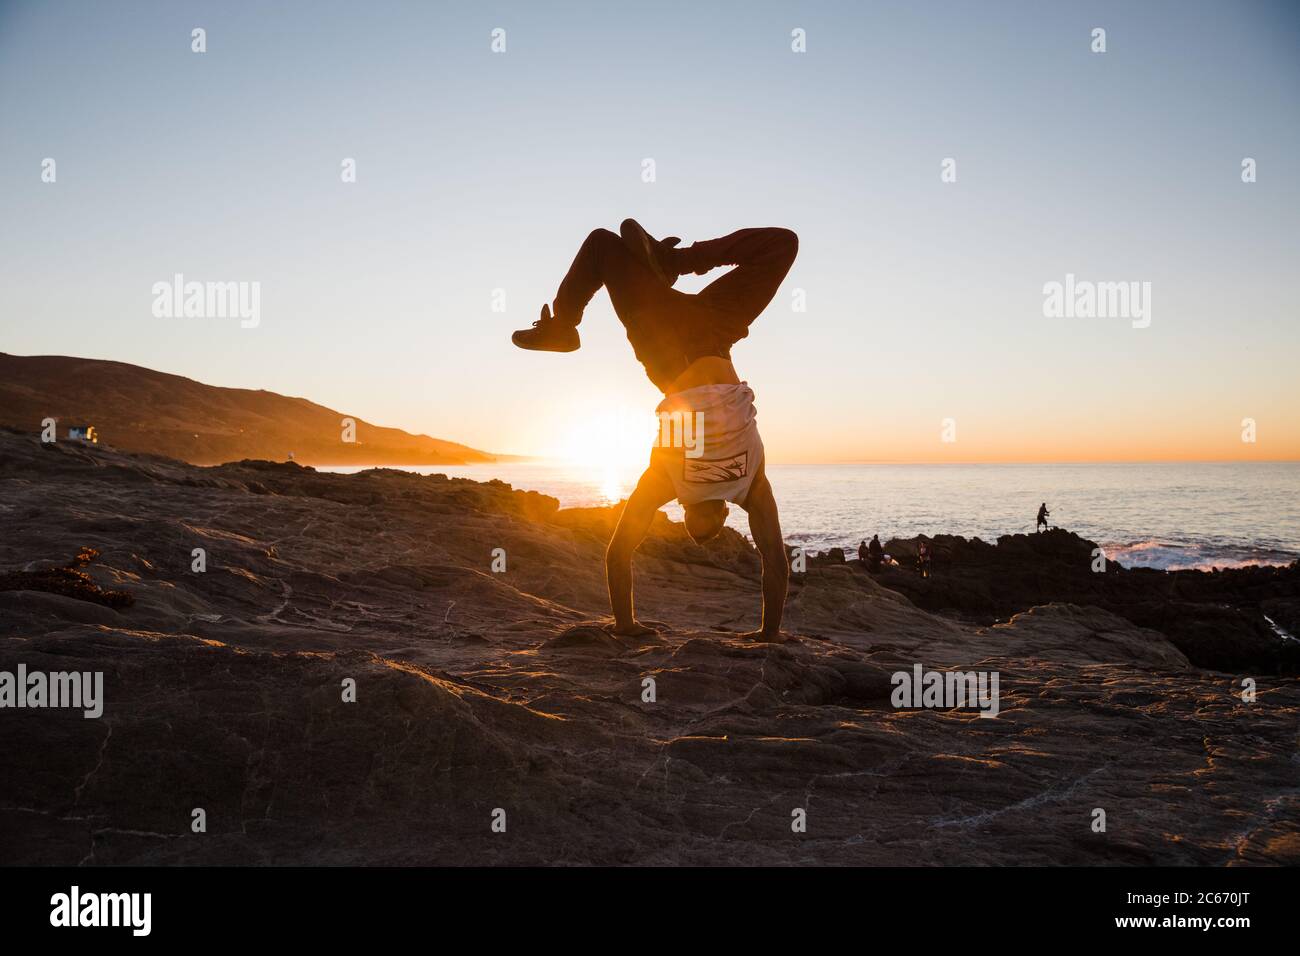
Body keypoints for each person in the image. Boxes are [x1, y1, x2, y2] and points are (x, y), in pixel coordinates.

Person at [513, 219, 799, 641]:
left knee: (782, 245)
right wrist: (625, 625)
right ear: (703, 510)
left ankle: (666, 265)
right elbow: (618, 552)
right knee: (602, 245)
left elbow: (775, 563)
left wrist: (769, 632)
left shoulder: (747, 484)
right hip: (685, 338)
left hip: (700, 339)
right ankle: (665, 264)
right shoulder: (680, 481)